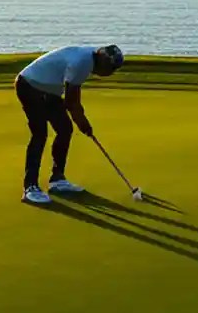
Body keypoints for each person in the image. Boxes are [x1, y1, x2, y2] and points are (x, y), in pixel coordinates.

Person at [15, 44, 124, 204]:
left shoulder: (91, 57)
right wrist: (83, 123)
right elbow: (71, 101)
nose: (109, 73)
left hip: (48, 90)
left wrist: (81, 121)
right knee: (39, 134)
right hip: (29, 85)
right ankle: (30, 187)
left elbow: (71, 99)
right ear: (103, 62)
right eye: (110, 69)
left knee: (64, 129)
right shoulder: (82, 62)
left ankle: (57, 179)